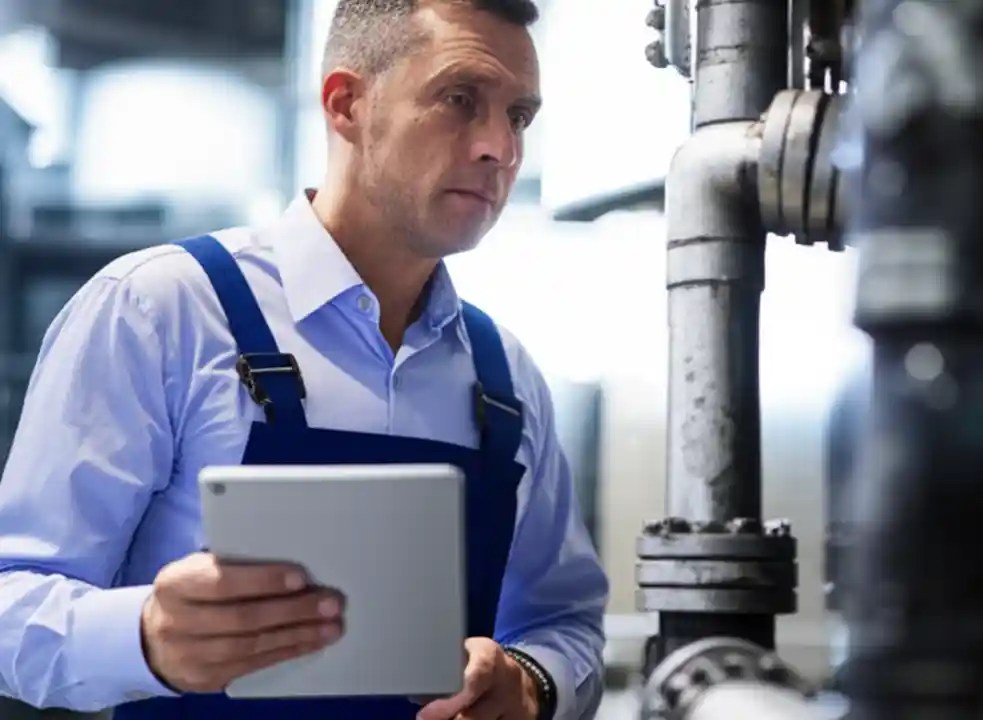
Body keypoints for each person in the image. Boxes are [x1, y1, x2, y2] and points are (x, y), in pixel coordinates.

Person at [0, 1, 609, 719]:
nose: (500, 149)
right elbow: (13, 603)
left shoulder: (505, 378)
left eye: (520, 117)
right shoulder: (160, 311)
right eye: (460, 100)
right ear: (346, 104)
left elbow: (565, 623)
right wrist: (142, 638)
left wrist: (530, 684)